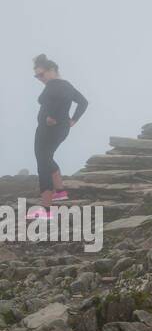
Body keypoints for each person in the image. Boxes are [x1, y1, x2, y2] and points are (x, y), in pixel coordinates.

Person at [31, 55, 88, 217]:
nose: (39, 78)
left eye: (41, 74)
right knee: (47, 158)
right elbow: (83, 102)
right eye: (37, 76)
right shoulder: (65, 85)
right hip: (60, 129)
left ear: (53, 70)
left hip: (49, 129)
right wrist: (73, 120)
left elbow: (65, 100)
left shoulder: (55, 84)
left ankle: (47, 209)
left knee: (42, 162)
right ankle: (60, 191)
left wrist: (53, 116)